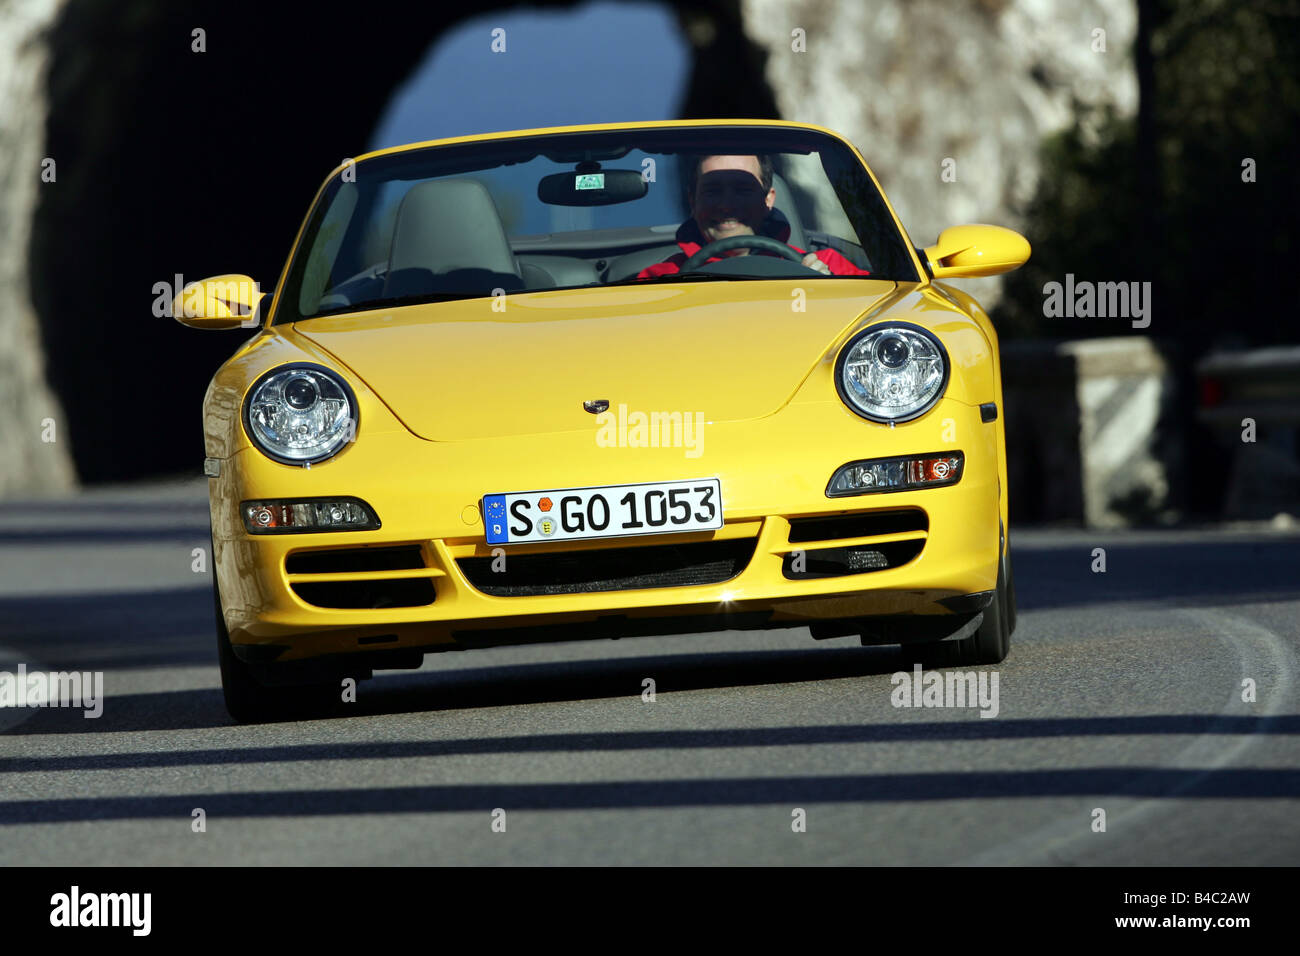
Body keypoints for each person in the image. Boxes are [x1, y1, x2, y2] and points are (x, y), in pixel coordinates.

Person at [636, 154, 869, 279]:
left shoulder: (825, 266)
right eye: (712, 191)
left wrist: (829, 292)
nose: (727, 205)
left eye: (742, 189)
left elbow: (874, 317)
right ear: (692, 201)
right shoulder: (660, 279)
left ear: (769, 199)